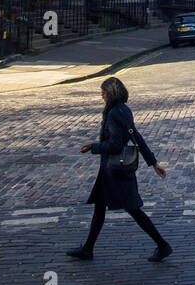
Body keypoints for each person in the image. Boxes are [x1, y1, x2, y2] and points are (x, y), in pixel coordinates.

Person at [67, 76, 172, 262]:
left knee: (134, 210)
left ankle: (162, 245)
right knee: (100, 208)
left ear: (111, 94)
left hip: (116, 171)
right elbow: (136, 136)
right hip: (110, 172)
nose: (102, 97)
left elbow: (116, 145)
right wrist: (153, 162)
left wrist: (94, 146)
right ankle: (88, 248)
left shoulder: (115, 113)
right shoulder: (124, 109)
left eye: (104, 93)